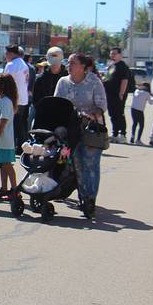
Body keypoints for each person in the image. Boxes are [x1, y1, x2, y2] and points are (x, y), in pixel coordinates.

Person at [55, 53, 107, 218]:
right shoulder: (63, 82)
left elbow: (101, 106)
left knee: (91, 165)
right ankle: (83, 198)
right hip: (71, 130)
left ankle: (90, 199)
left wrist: (89, 115)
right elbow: (57, 104)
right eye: (68, 63)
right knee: (77, 165)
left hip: (91, 130)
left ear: (83, 66)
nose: (69, 66)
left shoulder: (94, 82)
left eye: (73, 63)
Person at [0, 74, 18, 201]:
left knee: (7, 164)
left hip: (4, 139)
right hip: (1, 138)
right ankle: (4, 188)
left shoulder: (6, 101)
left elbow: (3, 120)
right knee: (2, 164)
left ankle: (15, 190)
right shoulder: (1, 99)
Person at [3, 45, 30, 154]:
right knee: (20, 124)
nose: (5, 56)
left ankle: (11, 147)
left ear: (11, 53)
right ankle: (21, 147)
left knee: (11, 124)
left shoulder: (11, 65)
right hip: (23, 98)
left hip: (13, 98)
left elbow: (5, 81)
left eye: (6, 53)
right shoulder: (23, 64)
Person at [103, 47, 130, 143]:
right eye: (111, 54)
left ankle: (122, 134)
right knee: (112, 114)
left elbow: (124, 80)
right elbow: (107, 78)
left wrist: (121, 93)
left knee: (119, 113)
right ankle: (114, 133)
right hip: (109, 94)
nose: (112, 55)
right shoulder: (111, 66)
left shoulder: (122, 66)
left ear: (120, 55)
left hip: (118, 94)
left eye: (114, 53)